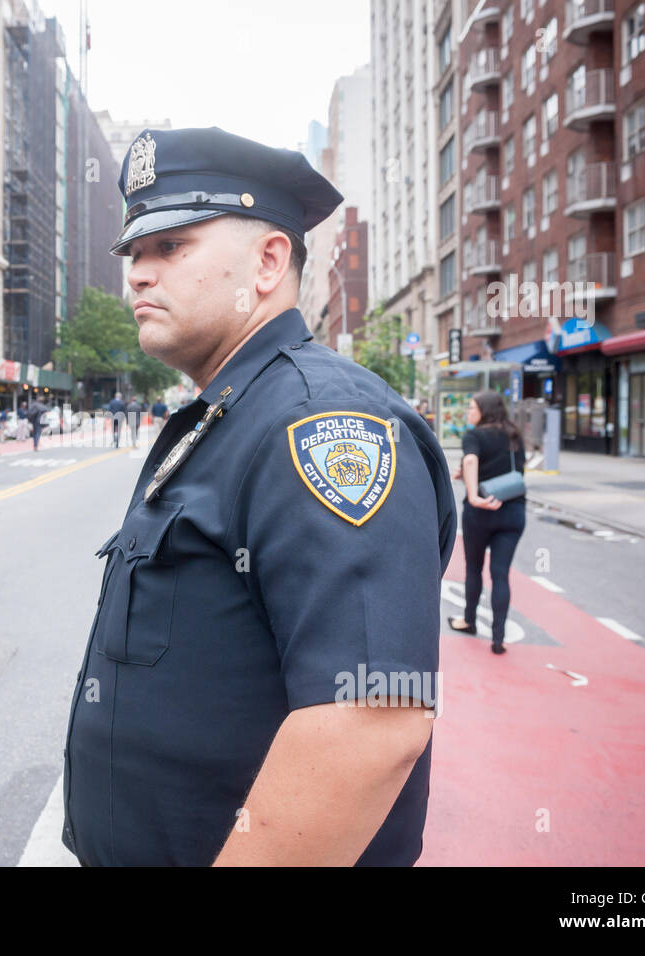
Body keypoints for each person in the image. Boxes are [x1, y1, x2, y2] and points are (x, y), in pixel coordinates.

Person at [62, 127, 457, 867]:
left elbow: (371, 717)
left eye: (170, 247)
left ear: (269, 261)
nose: (138, 276)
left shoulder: (320, 421)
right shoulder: (231, 410)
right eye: (134, 255)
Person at [447, 391, 527, 655]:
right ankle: (498, 638)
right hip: (513, 509)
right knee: (501, 574)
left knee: (474, 568)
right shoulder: (514, 435)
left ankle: (469, 620)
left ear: (485, 410)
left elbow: (471, 460)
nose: (469, 413)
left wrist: (473, 495)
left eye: (472, 408)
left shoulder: (474, 435)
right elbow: (512, 470)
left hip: (481, 512)